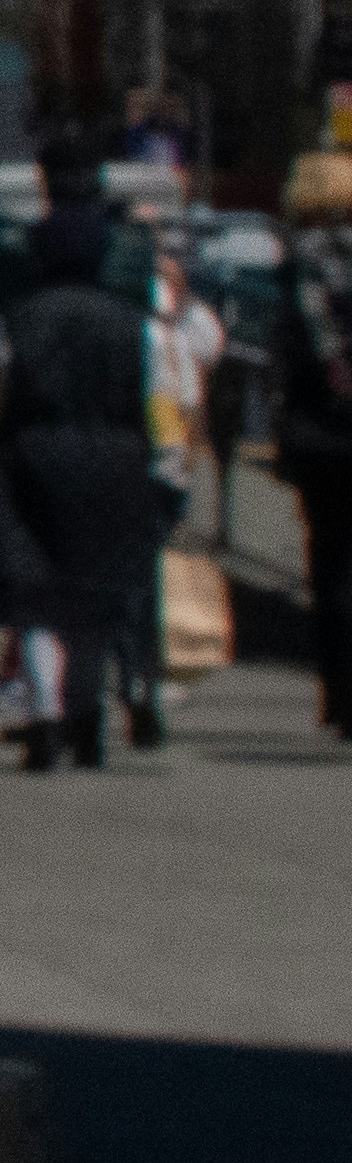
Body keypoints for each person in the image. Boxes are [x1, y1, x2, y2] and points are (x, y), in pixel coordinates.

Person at [0, 196, 172, 774]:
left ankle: (43, 715)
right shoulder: (133, 322)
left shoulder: (18, 315)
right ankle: (86, 719)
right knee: (95, 594)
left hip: (34, 452)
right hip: (115, 456)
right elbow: (154, 394)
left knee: (36, 592)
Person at [267, 152, 352, 741]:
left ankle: (339, 692)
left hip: (320, 436)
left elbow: (286, 362)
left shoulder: (297, 270)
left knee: (329, 562)